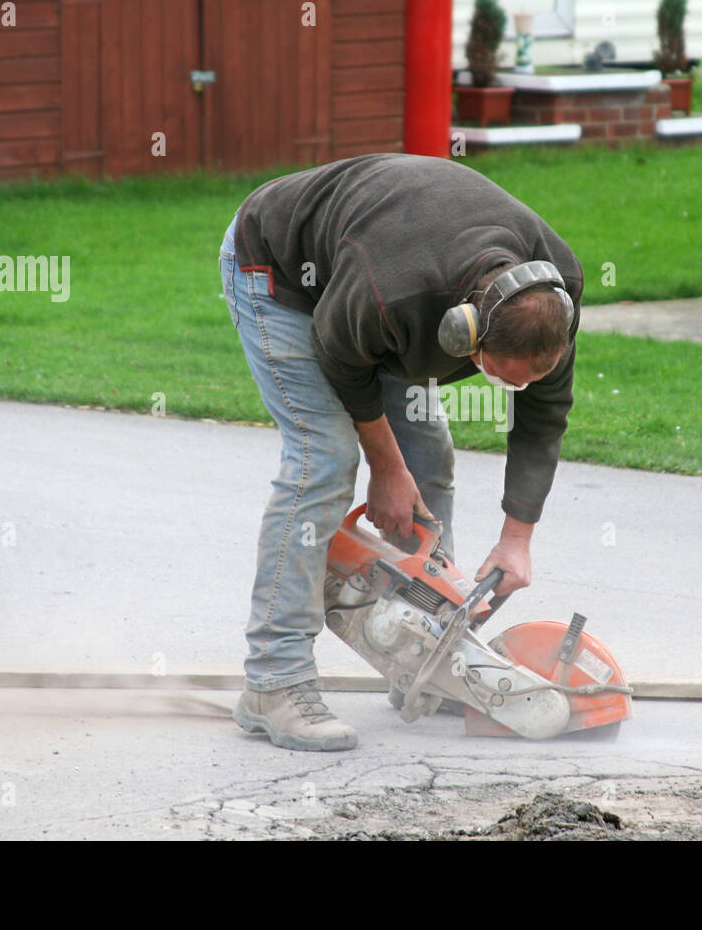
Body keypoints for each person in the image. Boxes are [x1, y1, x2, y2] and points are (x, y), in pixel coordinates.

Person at [217, 153, 583, 751]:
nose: (513, 391)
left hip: (372, 300)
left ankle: (430, 650)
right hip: (280, 273)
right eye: (498, 376)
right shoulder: (400, 287)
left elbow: (543, 418)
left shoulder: (553, 291)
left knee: (428, 457)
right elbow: (342, 355)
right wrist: (385, 469)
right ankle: (273, 681)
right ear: (463, 335)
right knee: (325, 459)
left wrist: (517, 540)